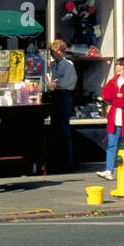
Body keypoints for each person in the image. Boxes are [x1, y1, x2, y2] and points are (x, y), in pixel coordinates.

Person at [47, 39, 77, 173]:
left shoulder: (68, 65)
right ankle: (56, 161)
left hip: (64, 96)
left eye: (53, 52)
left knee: (64, 130)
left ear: (59, 51)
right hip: (54, 97)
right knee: (55, 129)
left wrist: (56, 84)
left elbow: (68, 82)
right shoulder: (52, 64)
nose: (51, 55)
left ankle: (67, 162)